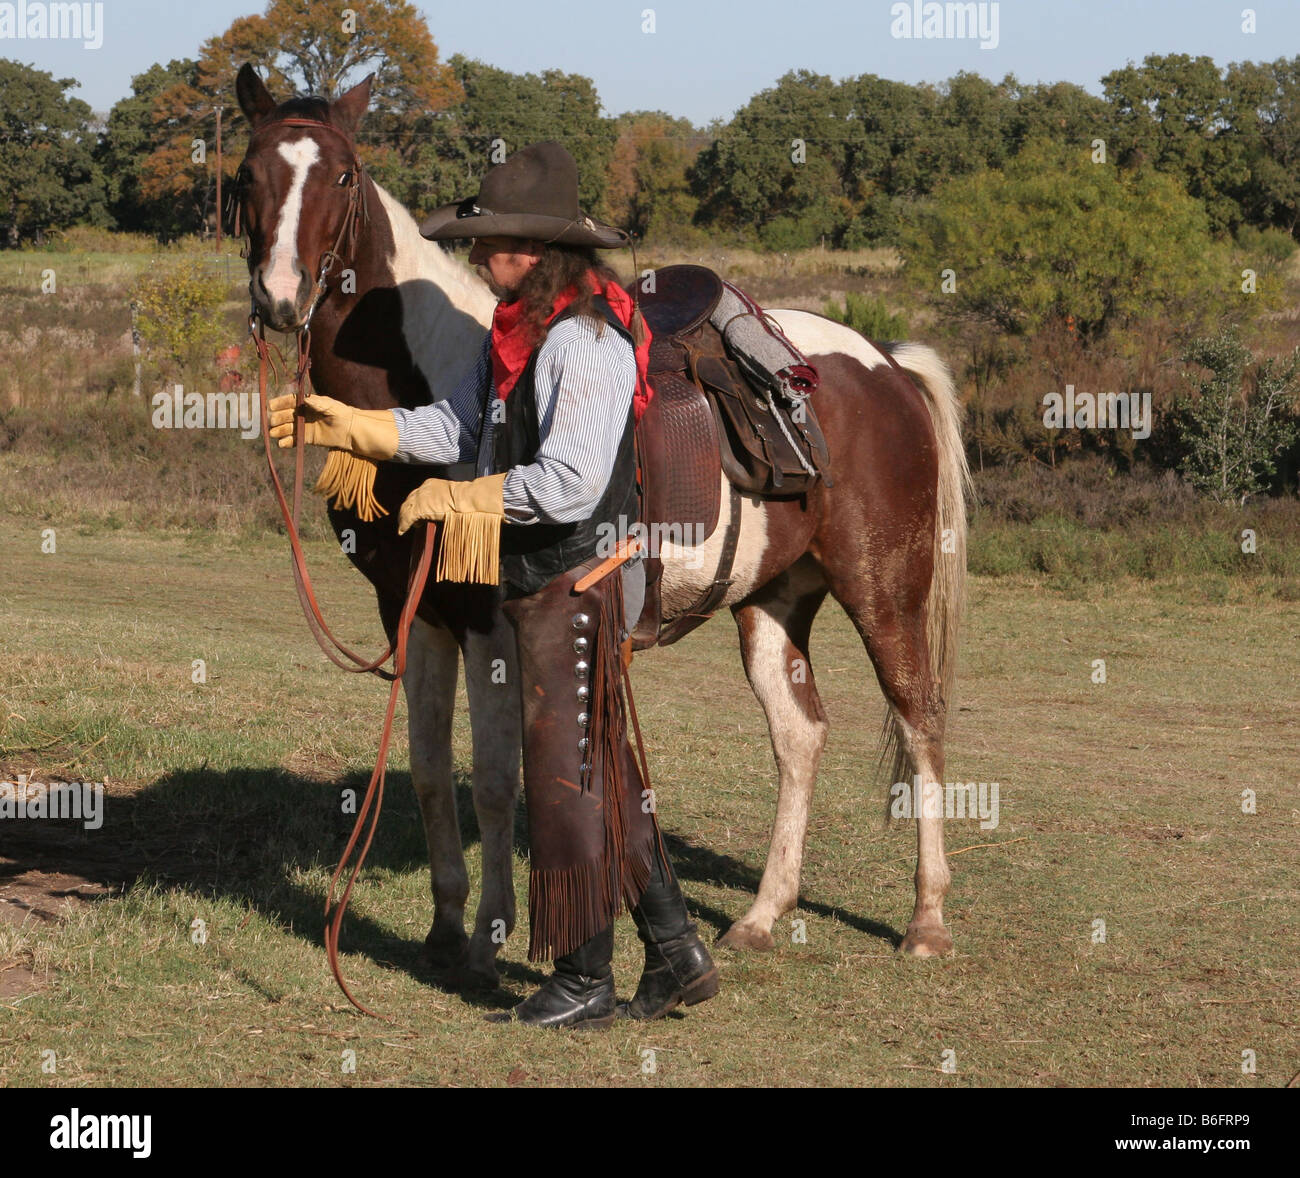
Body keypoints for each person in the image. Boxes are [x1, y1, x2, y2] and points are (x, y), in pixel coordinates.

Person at [267, 142, 717, 1029]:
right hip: (541, 581)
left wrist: (465, 496)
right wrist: (352, 425)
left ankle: (585, 979)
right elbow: (457, 423)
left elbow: (571, 484)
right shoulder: (518, 335)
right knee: (606, 778)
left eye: (495, 242)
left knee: (564, 784)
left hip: (574, 585)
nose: (478, 256)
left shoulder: (582, 340)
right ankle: (677, 954)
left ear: (541, 249)